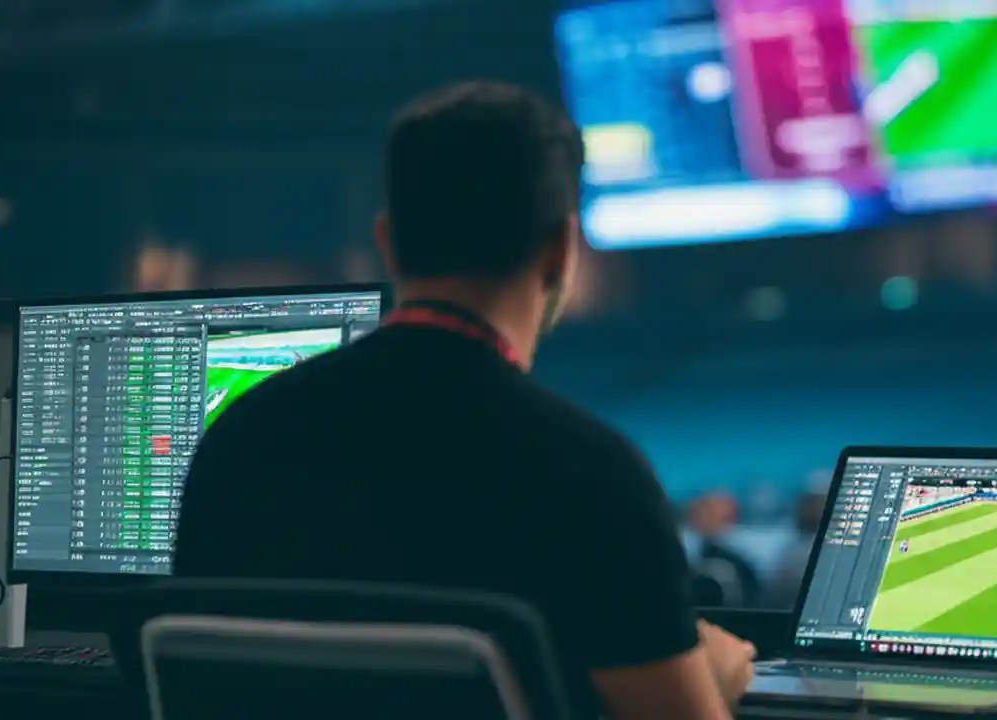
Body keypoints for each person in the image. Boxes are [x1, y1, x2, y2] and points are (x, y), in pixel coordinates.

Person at [174, 82, 755, 719]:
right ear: (562, 250)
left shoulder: (236, 444)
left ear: (389, 243)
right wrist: (717, 683)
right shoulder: (589, 474)